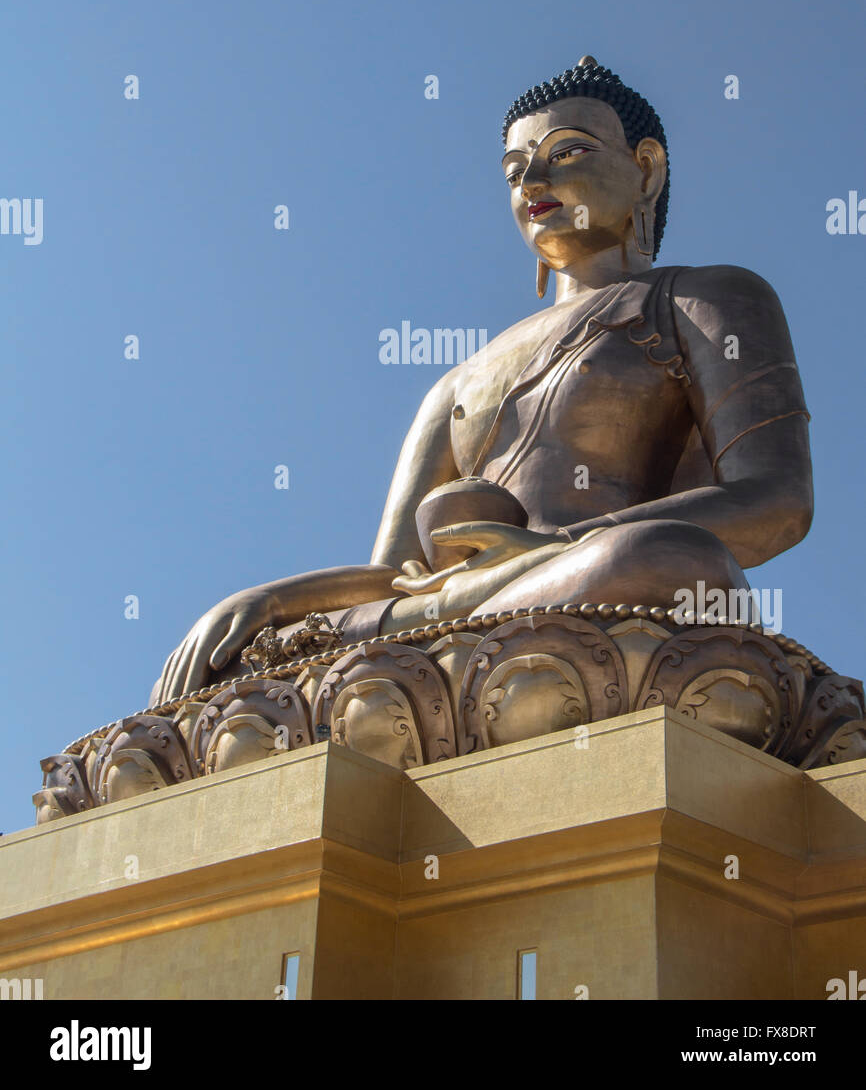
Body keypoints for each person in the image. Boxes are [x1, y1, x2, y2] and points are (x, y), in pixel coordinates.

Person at [150, 57, 812, 706]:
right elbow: (397, 576)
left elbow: (776, 500)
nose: (534, 182)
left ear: (647, 169)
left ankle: (406, 675)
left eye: (567, 152)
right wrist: (271, 601)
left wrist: (546, 549)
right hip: (455, 609)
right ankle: (414, 663)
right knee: (240, 652)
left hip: (597, 583)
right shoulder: (459, 380)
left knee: (677, 559)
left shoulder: (704, 298)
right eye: (515, 170)